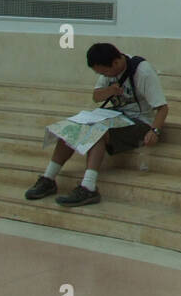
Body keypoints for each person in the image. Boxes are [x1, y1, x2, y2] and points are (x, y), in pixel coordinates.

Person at [24, 42, 170, 206]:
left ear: (116, 62)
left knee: (97, 132)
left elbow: (162, 108)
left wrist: (155, 131)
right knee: (72, 127)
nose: (105, 76)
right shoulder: (108, 71)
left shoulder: (143, 71)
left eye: (105, 72)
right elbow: (96, 97)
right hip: (115, 115)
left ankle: (88, 187)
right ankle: (48, 178)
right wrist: (110, 90)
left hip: (140, 121)